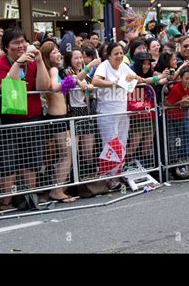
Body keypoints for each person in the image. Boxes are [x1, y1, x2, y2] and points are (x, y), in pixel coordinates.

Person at [0, 28, 50, 210]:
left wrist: (39, 63)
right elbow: (11, 89)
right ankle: (6, 202)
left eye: (23, 41)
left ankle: (29, 197)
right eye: (15, 43)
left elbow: (43, 86)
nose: (21, 45)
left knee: (31, 159)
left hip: (33, 117)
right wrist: (17, 64)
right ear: (5, 47)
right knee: (7, 161)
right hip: (9, 120)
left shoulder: (32, 62)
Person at [92, 43, 143, 189]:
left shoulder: (123, 66)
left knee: (121, 143)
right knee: (110, 143)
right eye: (116, 54)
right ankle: (107, 176)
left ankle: (117, 173)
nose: (119, 56)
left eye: (121, 53)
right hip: (107, 111)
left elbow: (137, 78)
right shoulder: (104, 65)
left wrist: (137, 78)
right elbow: (96, 81)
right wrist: (112, 83)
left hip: (122, 111)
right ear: (109, 55)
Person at [41, 41, 76, 203]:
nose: (59, 54)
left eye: (58, 51)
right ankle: (57, 190)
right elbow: (53, 86)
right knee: (67, 154)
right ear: (47, 56)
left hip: (57, 118)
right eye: (54, 52)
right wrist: (68, 82)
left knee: (62, 154)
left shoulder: (48, 70)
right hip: (58, 119)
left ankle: (58, 187)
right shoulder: (53, 70)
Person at [64, 48, 98, 178]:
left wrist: (90, 89)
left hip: (86, 111)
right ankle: (72, 181)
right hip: (73, 113)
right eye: (76, 58)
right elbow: (74, 80)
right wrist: (90, 65)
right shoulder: (67, 72)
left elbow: (91, 90)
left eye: (81, 58)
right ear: (69, 60)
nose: (79, 61)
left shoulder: (86, 75)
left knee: (88, 150)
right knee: (73, 150)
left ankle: (86, 179)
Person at [165, 66, 189, 176]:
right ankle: (174, 164)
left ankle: (187, 159)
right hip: (172, 117)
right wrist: (180, 101)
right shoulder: (176, 88)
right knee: (174, 140)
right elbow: (167, 103)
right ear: (181, 78)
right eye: (186, 78)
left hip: (184, 114)